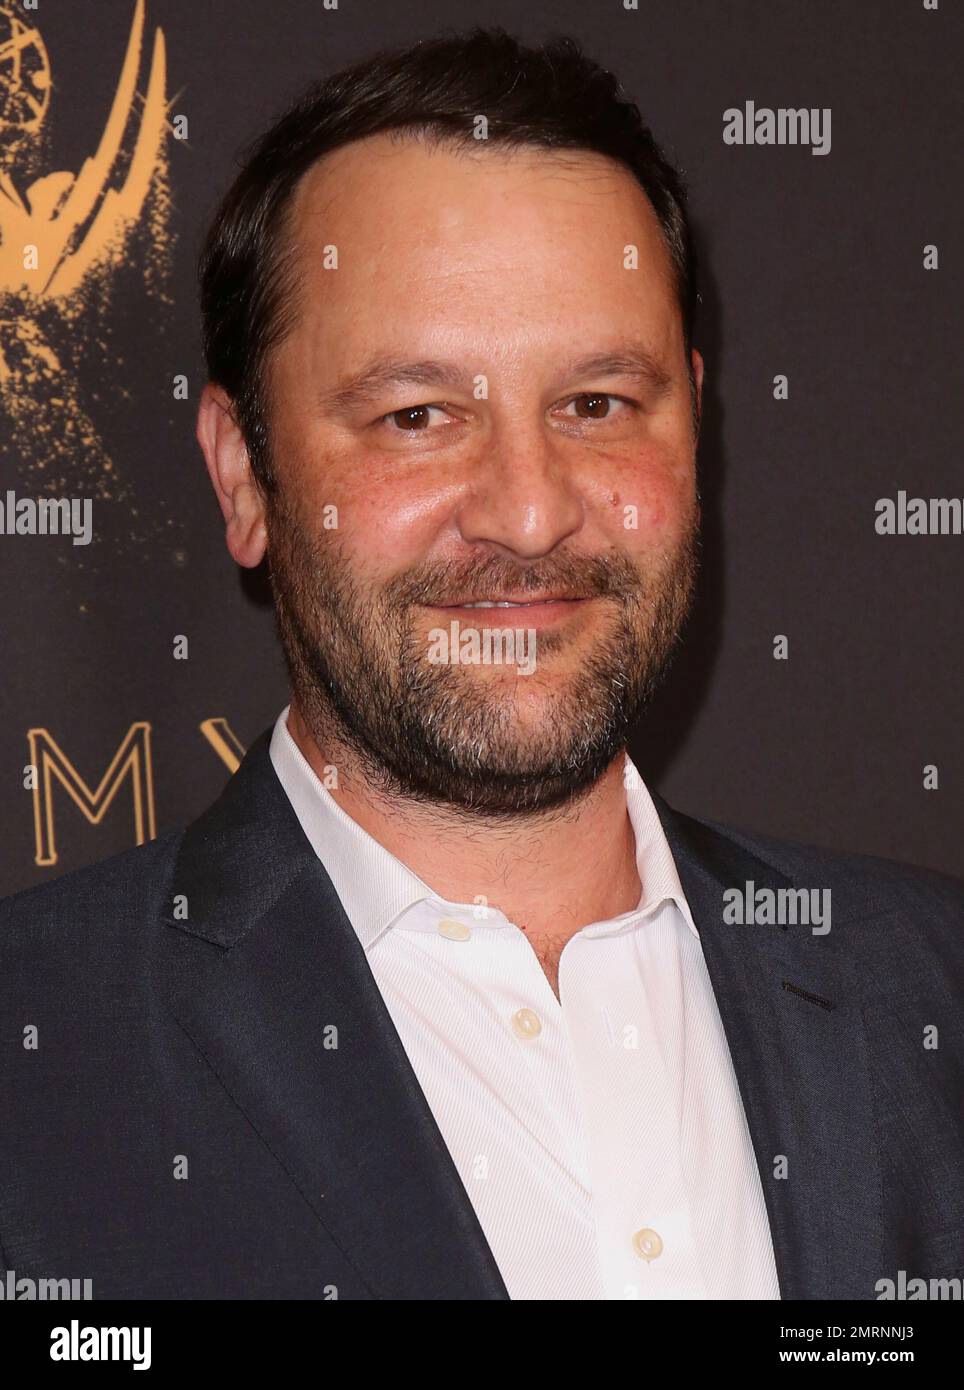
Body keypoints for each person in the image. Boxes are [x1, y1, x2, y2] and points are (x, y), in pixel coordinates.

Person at [1, 28, 961, 1302]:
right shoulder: (41, 1052)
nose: (528, 510)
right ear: (244, 474)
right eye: (417, 417)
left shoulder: (927, 989)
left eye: (597, 404)